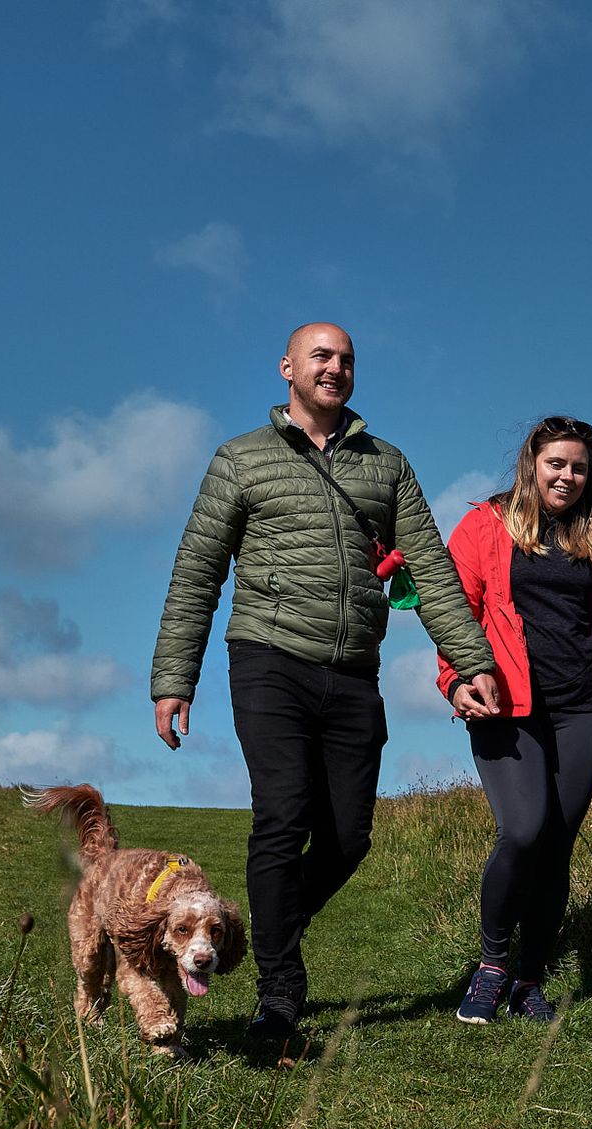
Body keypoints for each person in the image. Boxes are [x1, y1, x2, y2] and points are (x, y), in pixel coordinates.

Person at [152, 322, 501, 1043]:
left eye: (346, 360)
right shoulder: (240, 460)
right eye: (320, 356)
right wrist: (174, 675)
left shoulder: (387, 465)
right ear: (287, 368)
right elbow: (197, 572)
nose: (335, 368)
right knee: (283, 817)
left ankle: (267, 924)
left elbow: (431, 571)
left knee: (348, 837)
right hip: (268, 658)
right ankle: (280, 991)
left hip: (353, 673)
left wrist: (473, 661)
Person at [436, 415, 592, 1025]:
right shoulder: (483, 526)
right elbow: (455, 611)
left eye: (579, 467)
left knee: (555, 847)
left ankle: (530, 979)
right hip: (507, 704)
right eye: (557, 464)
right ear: (533, 464)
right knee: (523, 830)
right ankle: (492, 964)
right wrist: (455, 680)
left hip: (583, 704)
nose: (567, 476)